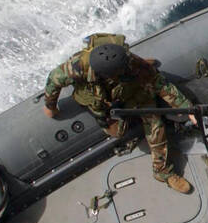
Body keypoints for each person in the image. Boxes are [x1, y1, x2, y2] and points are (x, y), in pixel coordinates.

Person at [43, 35, 197, 194]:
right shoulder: (77, 67)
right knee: (117, 131)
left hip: (132, 93)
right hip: (103, 100)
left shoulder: (130, 62)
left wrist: (187, 108)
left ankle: (162, 171)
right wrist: (51, 106)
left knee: (155, 125)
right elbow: (54, 79)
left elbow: (160, 83)